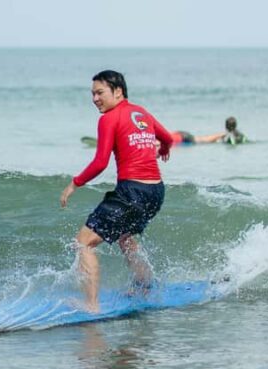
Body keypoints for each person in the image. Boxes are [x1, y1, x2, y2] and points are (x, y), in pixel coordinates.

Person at [59, 70, 173, 313]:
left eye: (100, 93)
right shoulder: (141, 112)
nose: (95, 99)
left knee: (83, 243)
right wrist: (163, 148)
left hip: (133, 190)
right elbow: (167, 137)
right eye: (92, 94)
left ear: (118, 91)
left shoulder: (108, 119)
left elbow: (100, 163)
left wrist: (74, 183)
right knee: (125, 237)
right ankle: (144, 286)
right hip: (155, 191)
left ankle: (91, 305)